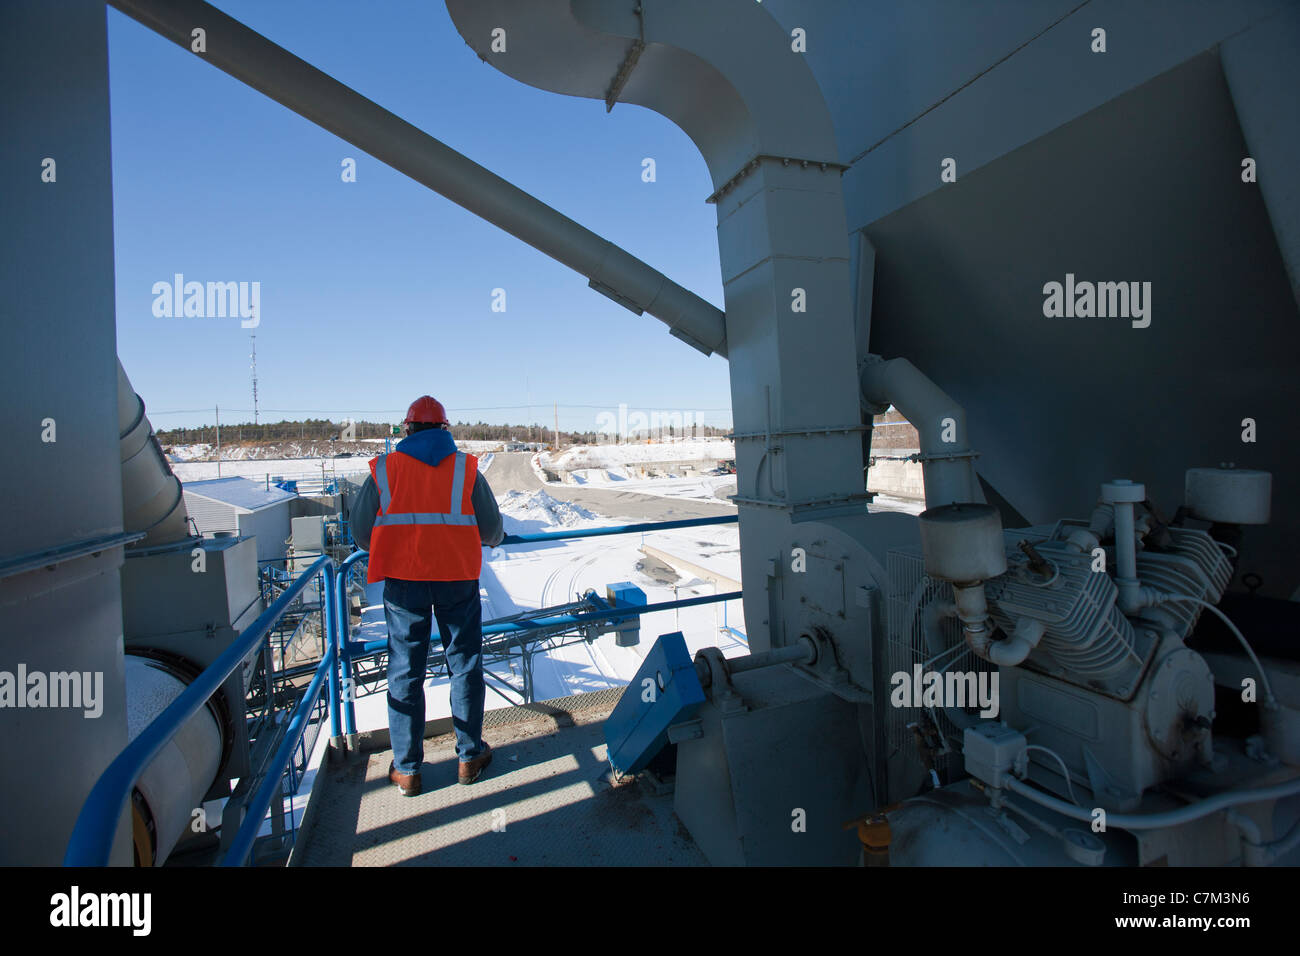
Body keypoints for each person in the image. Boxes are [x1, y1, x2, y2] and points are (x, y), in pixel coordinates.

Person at [349, 396, 504, 796]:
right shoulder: (467, 469)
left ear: (407, 430)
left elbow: (362, 534)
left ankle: (407, 769)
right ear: (445, 429)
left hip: (404, 584)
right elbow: (490, 530)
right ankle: (469, 756)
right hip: (456, 578)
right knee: (465, 664)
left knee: (405, 669)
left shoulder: (385, 469)